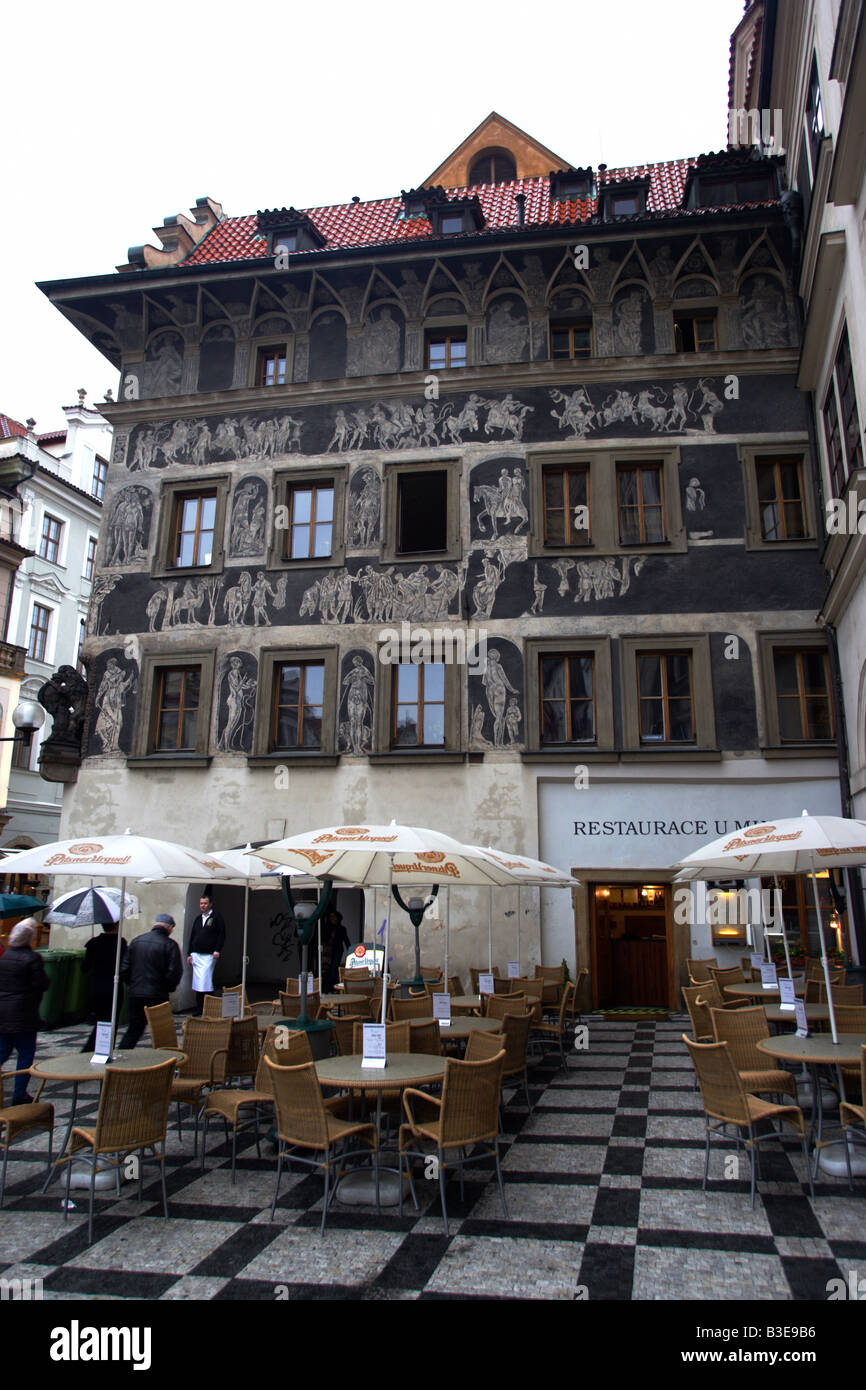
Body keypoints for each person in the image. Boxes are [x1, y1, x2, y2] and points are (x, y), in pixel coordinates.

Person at [0, 919, 50, 1103]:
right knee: (25, 1054)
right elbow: (41, 983)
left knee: (3, 1050)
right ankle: (19, 1094)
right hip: (23, 1013)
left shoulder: (5, 957)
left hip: (3, 1011)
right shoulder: (32, 958)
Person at [118, 914, 182, 1048]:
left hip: (136, 993)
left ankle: (122, 1053)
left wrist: (133, 984)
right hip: (157, 994)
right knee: (162, 1032)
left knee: (134, 1029)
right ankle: (163, 1062)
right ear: (169, 928)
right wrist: (167, 988)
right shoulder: (170, 944)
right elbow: (174, 972)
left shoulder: (136, 941)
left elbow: (124, 969)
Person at [79, 922, 127, 1053]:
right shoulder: (120, 943)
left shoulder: (94, 943)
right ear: (116, 926)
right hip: (113, 986)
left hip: (96, 986)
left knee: (101, 1020)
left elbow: (84, 968)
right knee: (111, 1021)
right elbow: (125, 965)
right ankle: (100, 1049)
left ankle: (98, 1049)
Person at [187, 893, 226, 1015]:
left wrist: (217, 950)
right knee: (198, 982)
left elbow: (221, 934)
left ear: (210, 904)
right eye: (201, 903)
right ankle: (200, 1008)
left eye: (205, 903)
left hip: (209, 954)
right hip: (196, 954)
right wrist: (189, 953)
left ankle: (211, 1007)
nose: (202, 906)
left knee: (205, 981)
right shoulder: (198, 919)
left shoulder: (216, 917)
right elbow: (192, 936)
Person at [321, 908, 351, 993]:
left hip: (337, 950)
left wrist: (350, 950)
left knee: (334, 969)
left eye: (334, 917)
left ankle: (334, 988)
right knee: (326, 969)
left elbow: (346, 940)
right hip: (328, 952)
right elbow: (324, 938)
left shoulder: (341, 929)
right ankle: (327, 988)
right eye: (331, 917)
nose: (332, 919)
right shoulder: (327, 928)